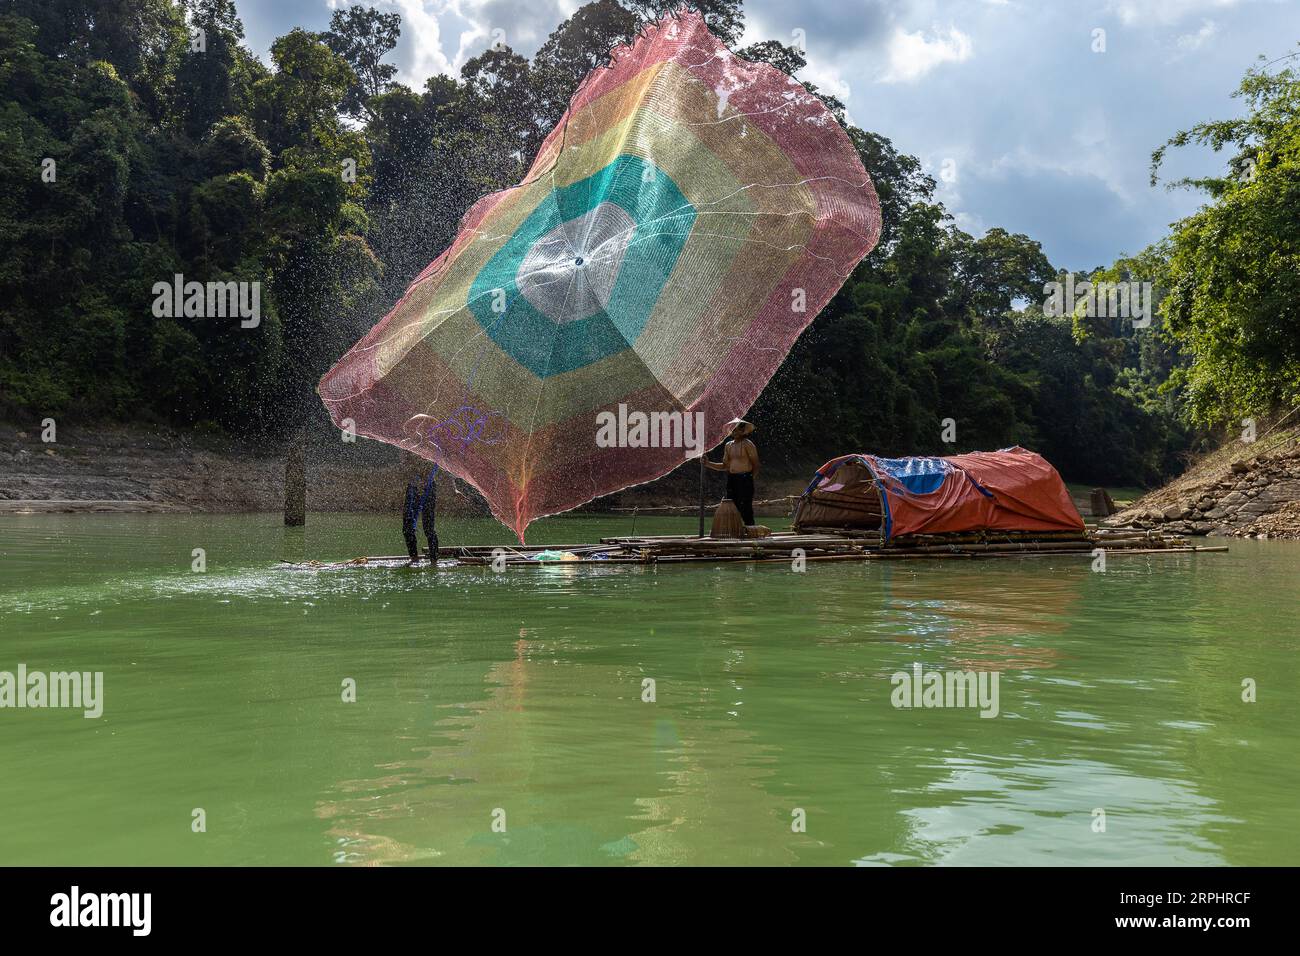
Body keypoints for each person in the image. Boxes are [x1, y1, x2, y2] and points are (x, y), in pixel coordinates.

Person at [702, 418, 760, 526]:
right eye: (733, 429)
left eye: (737, 429)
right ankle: (735, 530)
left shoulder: (748, 444)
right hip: (732, 478)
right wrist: (708, 464)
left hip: (745, 477)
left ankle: (750, 529)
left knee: (745, 506)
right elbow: (725, 466)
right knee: (732, 506)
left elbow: (756, 464)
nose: (735, 431)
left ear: (743, 431)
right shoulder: (728, 445)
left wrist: (750, 479)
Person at [400, 452, 439, 566]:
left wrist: (454, 489)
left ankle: (434, 561)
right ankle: (414, 558)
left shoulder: (430, 446)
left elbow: (440, 466)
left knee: (429, 527)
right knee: (407, 527)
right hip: (413, 488)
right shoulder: (407, 446)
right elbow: (405, 468)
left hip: (429, 488)